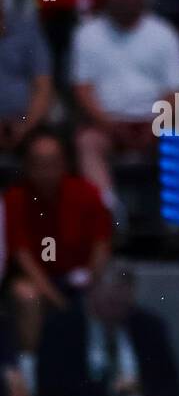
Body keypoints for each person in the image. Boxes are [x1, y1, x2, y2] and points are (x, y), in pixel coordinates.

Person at [72, 0, 179, 211]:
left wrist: (154, 125)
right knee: (87, 142)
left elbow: (177, 90)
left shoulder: (164, 33)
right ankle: (108, 213)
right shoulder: (87, 34)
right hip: (106, 125)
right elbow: (82, 89)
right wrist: (109, 125)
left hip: (156, 124)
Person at [3, 132, 112, 359]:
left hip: (84, 278)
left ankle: (105, 363)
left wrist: (92, 280)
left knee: (110, 291)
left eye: (52, 163)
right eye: (38, 164)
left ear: (65, 163)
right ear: (27, 165)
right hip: (40, 280)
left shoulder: (87, 192)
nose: (46, 170)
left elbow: (101, 244)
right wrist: (55, 297)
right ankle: (28, 370)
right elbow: (22, 256)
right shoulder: (15, 199)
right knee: (26, 295)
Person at [36, 259, 179, 396]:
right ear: (92, 291)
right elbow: (51, 391)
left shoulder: (150, 328)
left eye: (123, 302)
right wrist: (108, 389)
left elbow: (173, 390)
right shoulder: (62, 329)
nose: (117, 307)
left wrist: (141, 388)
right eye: (111, 301)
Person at [0, 0, 55, 153]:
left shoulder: (27, 31)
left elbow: (43, 87)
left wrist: (24, 125)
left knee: (46, 151)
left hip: (26, 126)